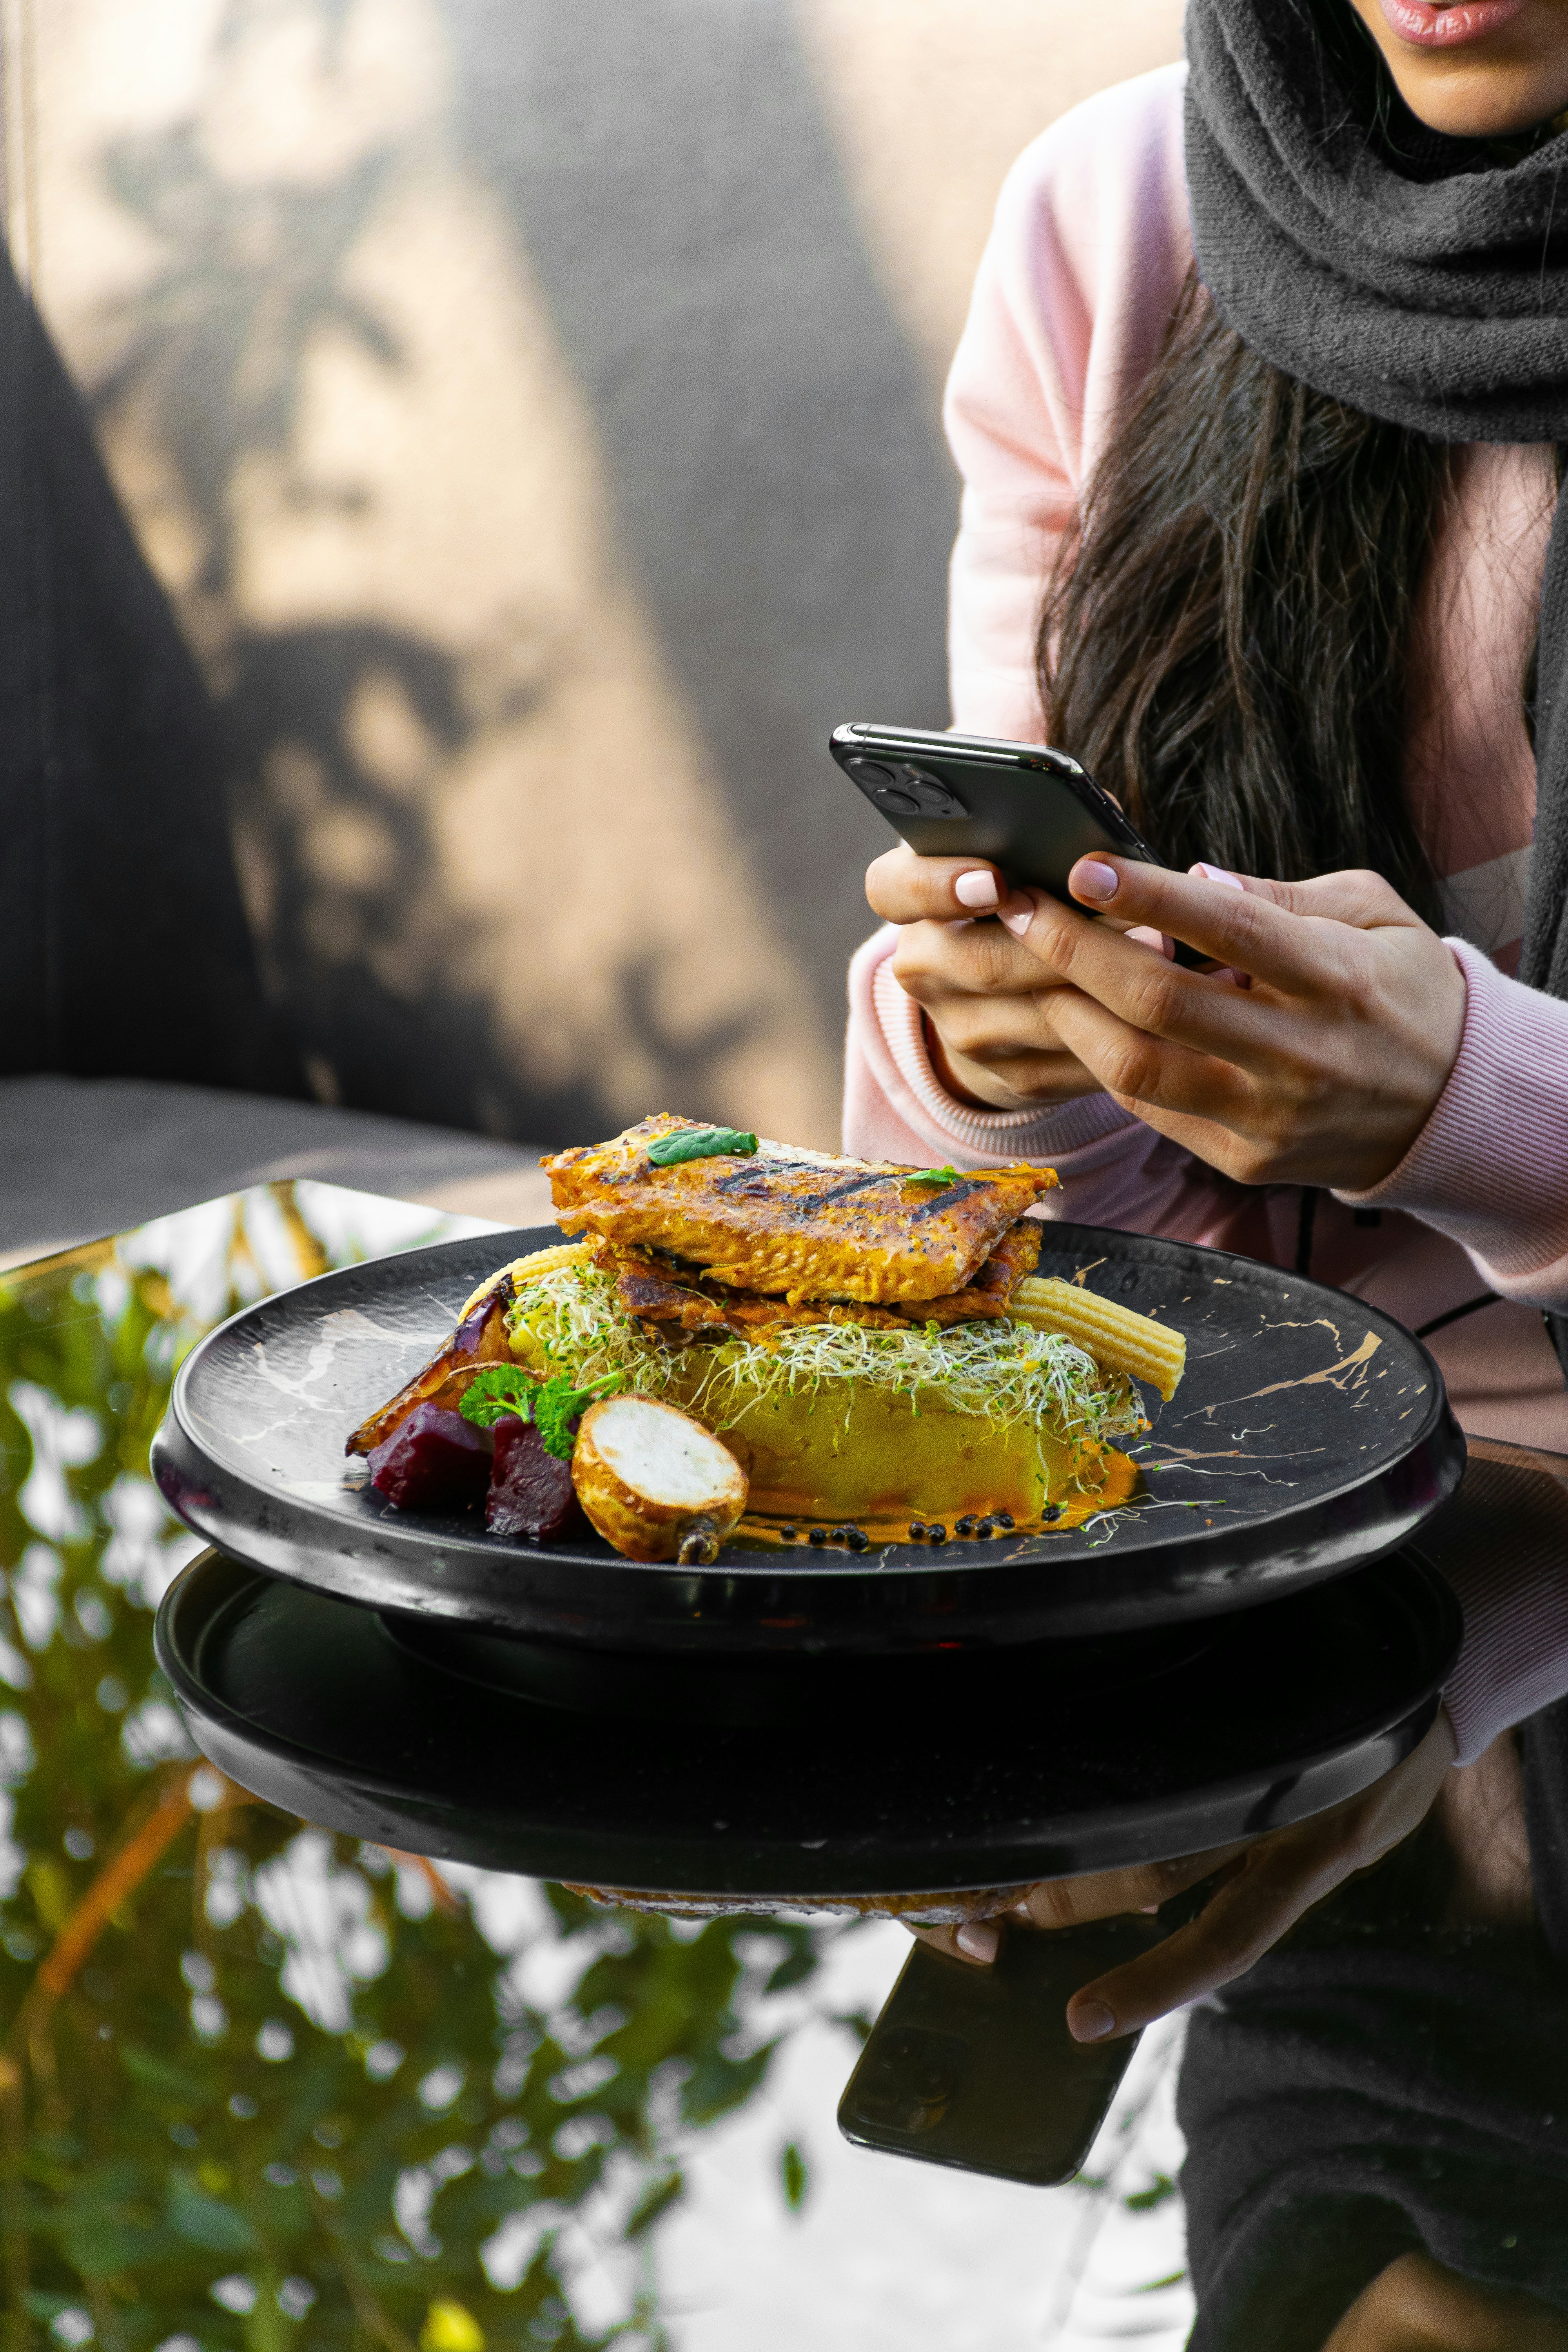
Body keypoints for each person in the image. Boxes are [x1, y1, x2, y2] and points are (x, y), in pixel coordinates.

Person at [847, 0, 1568, 2054]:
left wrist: (1478, 1104)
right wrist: (1012, 1069)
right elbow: (1076, 1293)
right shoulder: (1122, 225)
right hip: (1247, 1558)